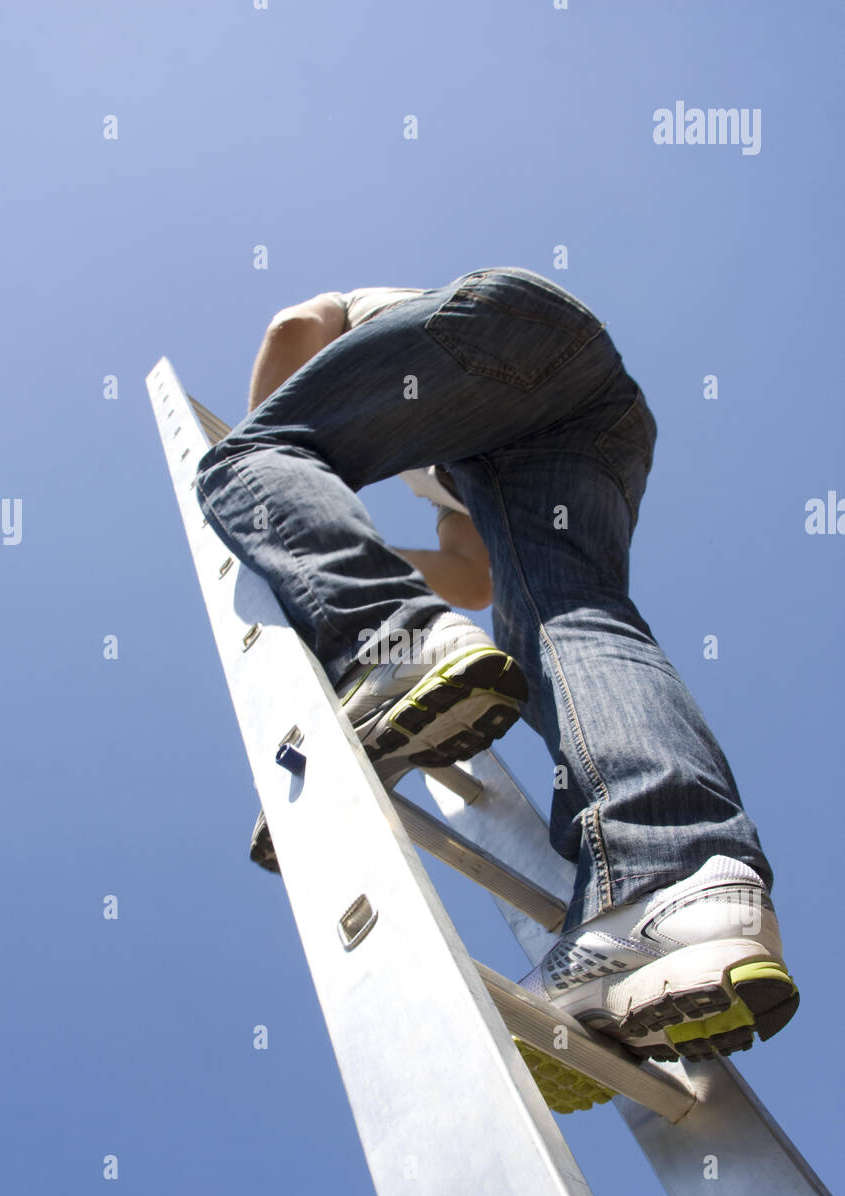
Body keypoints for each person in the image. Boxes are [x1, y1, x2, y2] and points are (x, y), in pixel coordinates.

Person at [195, 266, 799, 1074]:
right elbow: (472, 578)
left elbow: (290, 328)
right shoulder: (450, 476)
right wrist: (334, 545)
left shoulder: (390, 328)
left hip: (508, 331)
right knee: (564, 618)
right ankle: (672, 880)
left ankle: (393, 644)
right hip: (590, 420)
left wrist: (280, 488)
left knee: (247, 461)